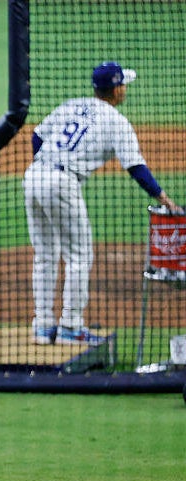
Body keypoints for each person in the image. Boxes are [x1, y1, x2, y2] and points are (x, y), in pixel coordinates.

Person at [23, 61, 181, 345]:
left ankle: (43, 325)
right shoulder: (117, 123)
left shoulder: (73, 105)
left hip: (34, 175)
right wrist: (163, 197)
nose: (126, 90)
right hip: (61, 183)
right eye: (123, 85)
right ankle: (71, 327)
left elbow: (37, 136)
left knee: (45, 254)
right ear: (116, 89)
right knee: (79, 256)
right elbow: (136, 167)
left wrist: (46, 166)